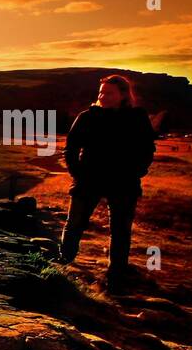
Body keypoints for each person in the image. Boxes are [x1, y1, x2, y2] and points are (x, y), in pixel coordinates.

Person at [57, 75, 156, 293]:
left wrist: (138, 171)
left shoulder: (137, 118)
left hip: (124, 183)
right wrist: (78, 173)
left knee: (120, 231)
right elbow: (71, 148)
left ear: (123, 95)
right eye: (101, 92)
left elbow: (147, 149)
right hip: (88, 181)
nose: (102, 96)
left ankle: (116, 277)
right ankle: (62, 267)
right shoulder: (87, 117)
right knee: (74, 224)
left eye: (109, 93)